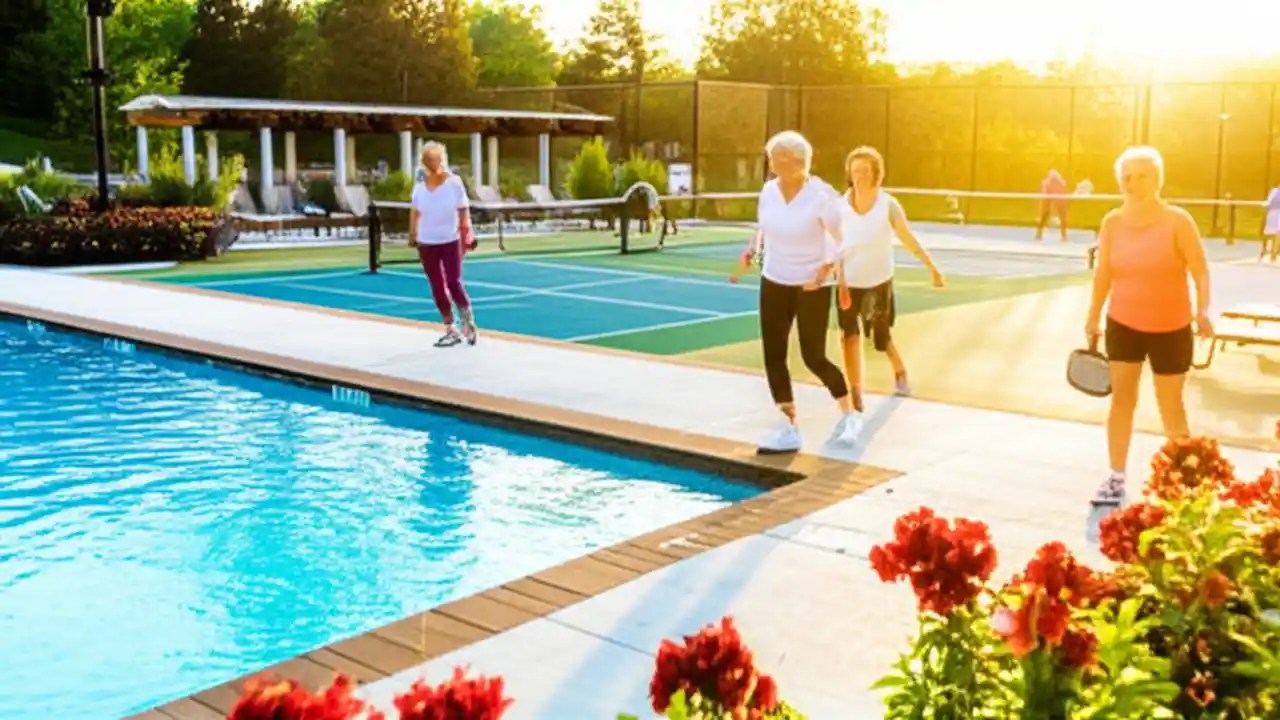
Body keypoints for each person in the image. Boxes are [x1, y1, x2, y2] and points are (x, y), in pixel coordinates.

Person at [1084, 146, 1213, 507]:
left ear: (1157, 179)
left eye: (1141, 175)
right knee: (1121, 402)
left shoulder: (1178, 221)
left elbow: (1200, 270)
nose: (1132, 183)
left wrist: (1203, 310)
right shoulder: (1111, 222)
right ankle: (1115, 477)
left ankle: (1186, 480)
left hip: (1171, 327)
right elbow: (1104, 273)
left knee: (1170, 405)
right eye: (1126, 176)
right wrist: (1093, 315)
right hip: (1123, 323)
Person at [732, 130, 858, 454]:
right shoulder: (768, 191)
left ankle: (849, 415)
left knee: (813, 356)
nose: (771, 162)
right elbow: (764, 231)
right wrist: (753, 258)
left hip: (811, 284)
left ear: (796, 161)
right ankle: (789, 428)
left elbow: (844, 239)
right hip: (774, 280)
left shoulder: (822, 196)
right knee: (774, 354)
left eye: (776, 156)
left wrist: (828, 271)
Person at [833, 146, 945, 422]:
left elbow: (907, 237)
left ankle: (900, 370)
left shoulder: (888, 205)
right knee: (848, 336)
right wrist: (840, 280)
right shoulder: (839, 206)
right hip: (848, 281)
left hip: (878, 282)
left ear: (876, 175)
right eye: (855, 170)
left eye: (864, 171)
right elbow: (834, 246)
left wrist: (931, 267)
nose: (858, 175)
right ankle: (855, 392)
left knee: (880, 338)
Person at [410, 141, 478, 347]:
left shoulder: (454, 182)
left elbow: (463, 208)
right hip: (426, 241)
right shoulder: (419, 181)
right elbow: (415, 208)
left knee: (454, 283)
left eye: (435, 160)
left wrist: (466, 229)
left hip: (450, 239)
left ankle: (468, 324)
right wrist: (412, 232)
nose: (431, 164)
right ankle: (450, 328)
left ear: (442, 161)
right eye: (427, 161)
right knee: (437, 287)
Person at [1036, 168, 1070, 242]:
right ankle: (1039, 234)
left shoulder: (1060, 183)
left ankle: (1063, 236)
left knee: (1061, 214)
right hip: (1053, 187)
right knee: (1045, 214)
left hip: (1057, 188)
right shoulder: (1050, 182)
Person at [1262, 184, 1280, 263]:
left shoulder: (1274, 191)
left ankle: (1273, 255)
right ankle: (1269, 252)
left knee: (1277, 234)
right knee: (1273, 234)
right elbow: (1268, 202)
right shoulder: (1274, 191)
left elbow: (1268, 202)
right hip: (1274, 213)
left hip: (1274, 213)